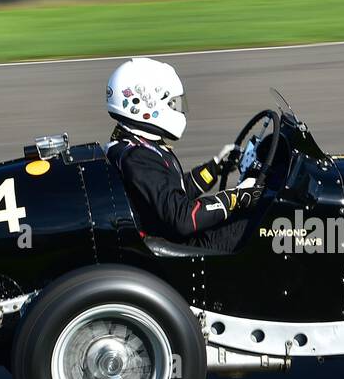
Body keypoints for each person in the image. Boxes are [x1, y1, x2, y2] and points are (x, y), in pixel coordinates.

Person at [104, 57, 263, 251]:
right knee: (262, 225)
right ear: (145, 102)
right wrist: (235, 198)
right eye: (173, 103)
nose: (179, 109)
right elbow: (183, 218)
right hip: (178, 244)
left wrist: (213, 169)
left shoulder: (132, 146)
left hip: (169, 235)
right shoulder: (138, 157)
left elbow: (170, 194)